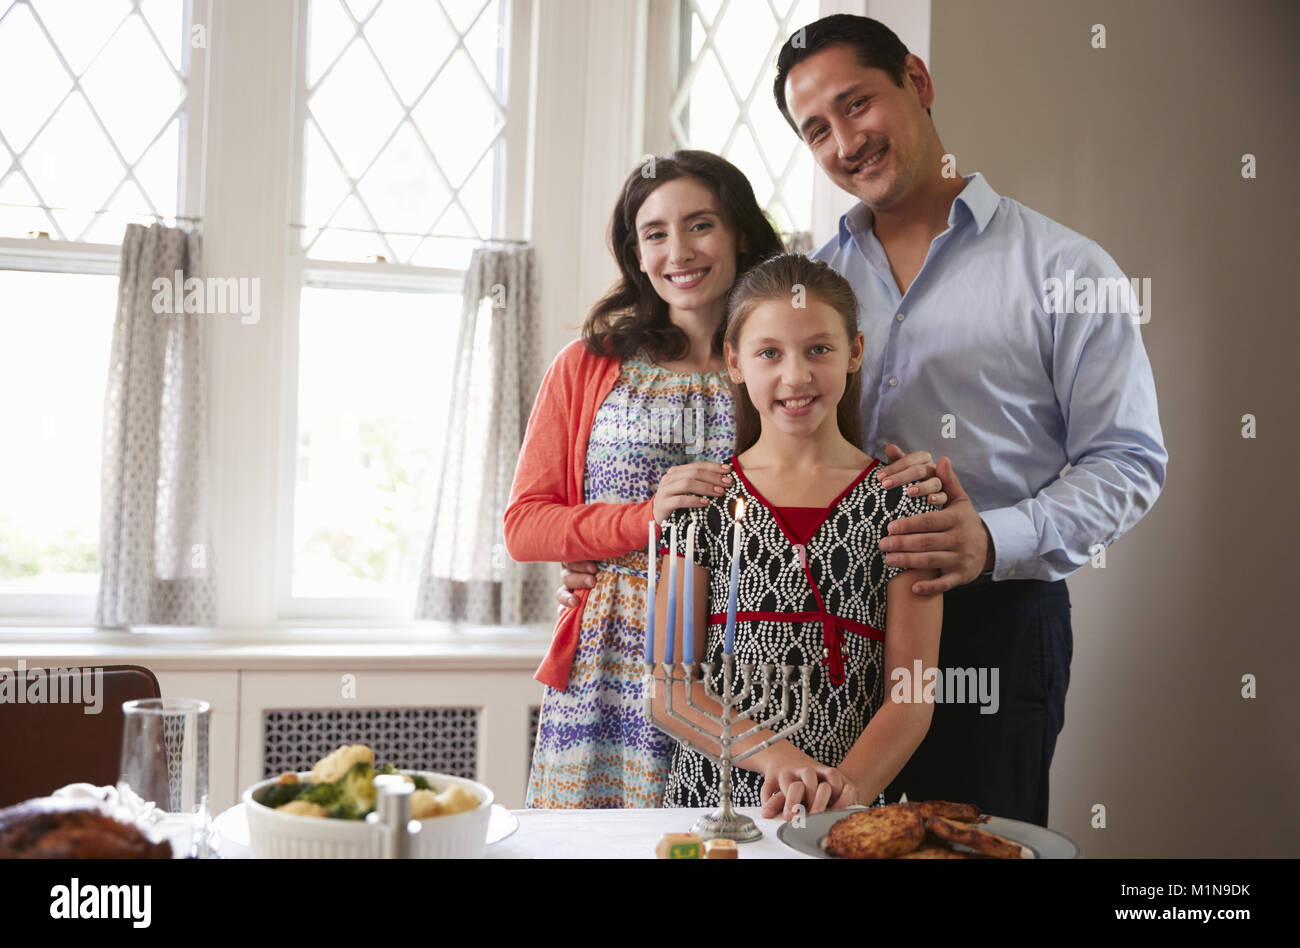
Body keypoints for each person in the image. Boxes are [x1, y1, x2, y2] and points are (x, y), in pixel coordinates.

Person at [771, 15, 1168, 824]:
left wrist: (993, 538)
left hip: (995, 625)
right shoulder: (811, 282)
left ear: (916, 82)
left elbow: (1128, 461)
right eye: (817, 129)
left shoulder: (1065, 269)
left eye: (857, 104)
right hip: (830, 622)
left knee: (973, 845)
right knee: (823, 840)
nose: (845, 142)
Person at [503, 151, 785, 808]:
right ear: (636, 252)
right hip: (608, 663)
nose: (677, 251)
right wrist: (640, 521)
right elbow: (524, 526)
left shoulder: (779, 361)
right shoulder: (587, 364)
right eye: (654, 233)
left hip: (744, 659)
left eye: (700, 225)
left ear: (740, 233)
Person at [652, 253, 943, 819]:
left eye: (819, 349)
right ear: (734, 362)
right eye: (769, 353)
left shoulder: (905, 504)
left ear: (855, 351)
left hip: (848, 806)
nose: (796, 376)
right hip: (716, 807)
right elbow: (670, 690)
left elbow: (910, 694)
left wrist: (847, 789)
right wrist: (779, 758)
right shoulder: (702, 505)